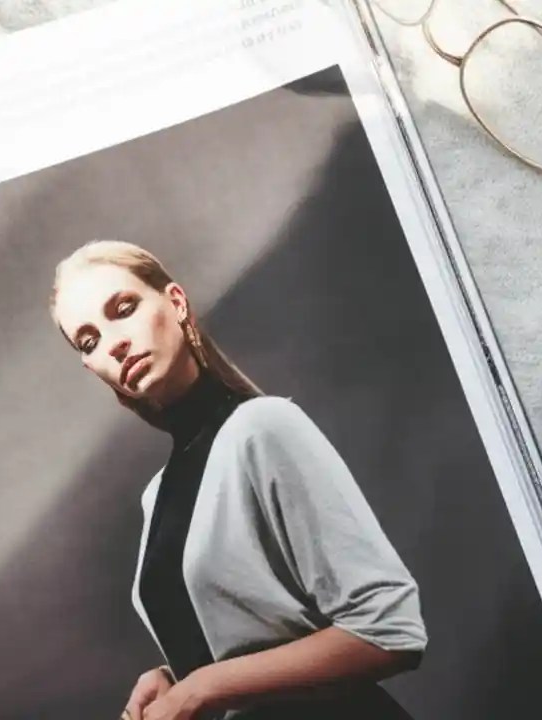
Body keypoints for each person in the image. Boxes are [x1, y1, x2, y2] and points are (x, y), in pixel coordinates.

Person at [49, 240, 427, 720]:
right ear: (92, 367)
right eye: (90, 341)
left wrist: (202, 688)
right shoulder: (157, 496)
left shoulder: (261, 427)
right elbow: (259, 631)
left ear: (176, 302)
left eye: (123, 309)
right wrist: (175, 675)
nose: (114, 342)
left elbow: (390, 632)